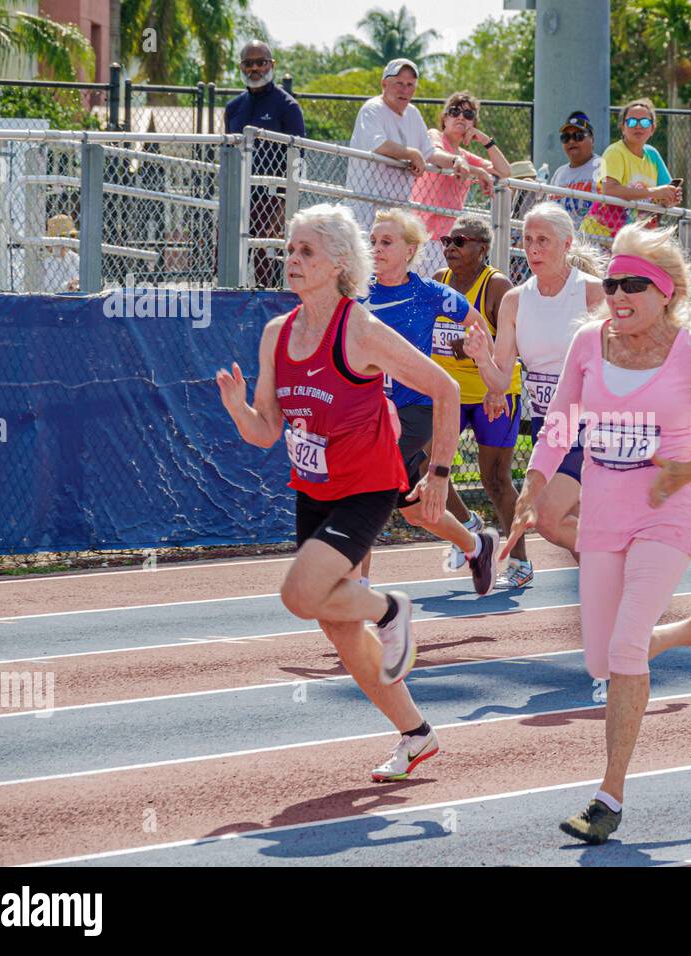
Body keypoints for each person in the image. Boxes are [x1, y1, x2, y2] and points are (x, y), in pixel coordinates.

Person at [483, 222, 691, 844]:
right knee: (602, 657)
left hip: (667, 513)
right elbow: (559, 422)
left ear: (664, 292)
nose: (617, 294)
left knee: (622, 651)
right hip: (605, 515)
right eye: (611, 282)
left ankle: (607, 798)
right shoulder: (589, 343)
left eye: (633, 284)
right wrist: (532, 488)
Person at [214, 203, 455, 782]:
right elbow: (267, 431)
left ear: (339, 263)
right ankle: (416, 735)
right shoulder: (277, 334)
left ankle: (391, 607)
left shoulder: (362, 330)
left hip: (368, 486)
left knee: (300, 594)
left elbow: (445, 389)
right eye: (290, 250)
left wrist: (440, 476)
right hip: (315, 489)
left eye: (306, 252)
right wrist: (238, 410)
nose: (292, 261)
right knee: (337, 627)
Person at [356, 208, 500, 594]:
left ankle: (358, 593)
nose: (376, 248)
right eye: (372, 241)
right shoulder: (357, 291)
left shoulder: (426, 292)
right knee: (416, 511)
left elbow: (477, 324)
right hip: (369, 410)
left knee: (363, 487)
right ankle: (476, 545)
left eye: (386, 242)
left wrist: (476, 348)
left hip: (414, 409)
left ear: (410, 250)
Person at [463, 202, 605, 572]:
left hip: (591, 426)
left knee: (547, 517)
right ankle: (613, 593)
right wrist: (481, 357)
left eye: (543, 240)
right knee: (570, 525)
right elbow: (500, 380)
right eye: (527, 240)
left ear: (567, 244)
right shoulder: (515, 301)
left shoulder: (592, 294)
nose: (533, 249)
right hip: (549, 428)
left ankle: (618, 556)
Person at [429, 213, 532, 587]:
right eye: (447, 241)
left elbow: (510, 344)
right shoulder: (438, 282)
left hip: (493, 393)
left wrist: (479, 365)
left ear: (482, 248)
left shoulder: (496, 287)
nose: (451, 248)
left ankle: (519, 562)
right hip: (450, 394)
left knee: (495, 480)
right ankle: (469, 525)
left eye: (461, 241)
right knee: (426, 464)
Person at [344, 58, 464, 239]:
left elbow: (429, 152)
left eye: (410, 84)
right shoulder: (372, 109)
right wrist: (411, 153)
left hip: (396, 215)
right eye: (399, 83)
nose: (405, 89)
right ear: (384, 84)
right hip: (365, 209)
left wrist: (455, 160)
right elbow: (379, 144)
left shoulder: (413, 114)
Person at [224, 40, 306, 287]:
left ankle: (268, 316)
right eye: (249, 64)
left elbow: (299, 157)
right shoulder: (233, 108)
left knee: (265, 261)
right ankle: (228, 313)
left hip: (272, 199)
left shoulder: (287, 106)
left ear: (272, 65)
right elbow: (227, 152)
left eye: (261, 62)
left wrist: (284, 201)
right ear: (241, 67)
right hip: (238, 197)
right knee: (226, 257)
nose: (255, 68)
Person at [412, 91, 511, 277]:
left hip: (448, 241)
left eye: (468, 115)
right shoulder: (435, 136)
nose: (460, 117)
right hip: (423, 235)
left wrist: (485, 140)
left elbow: (504, 171)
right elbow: (437, 156)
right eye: (455, 111)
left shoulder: (465, 157)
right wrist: (477, 170)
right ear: (445, 118)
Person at [580, 99, 681, 241]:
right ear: (623, 127)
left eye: (644, 122)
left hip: (634, 239)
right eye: (632, 122)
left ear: (652, 128)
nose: (638, 126)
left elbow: (663, 193)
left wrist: (669, 198)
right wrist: (654, 192)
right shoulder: (615, 152)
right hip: (601, 237)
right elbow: (609, 190)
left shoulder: (652, 155)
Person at [550, 110, 603, 229]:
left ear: (592, 139)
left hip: (593, 241)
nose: (571, 141)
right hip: (561, 240)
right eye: (566, 137)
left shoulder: (602, 166)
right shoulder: (559, 173)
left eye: (578, 136)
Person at [43, 214, 81, 292]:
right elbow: (47, 289)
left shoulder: (74, 257)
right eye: (65, 237)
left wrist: (77, 282)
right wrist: (67, 285)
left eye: (71, 237)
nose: (68, 241)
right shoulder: (44, 259)